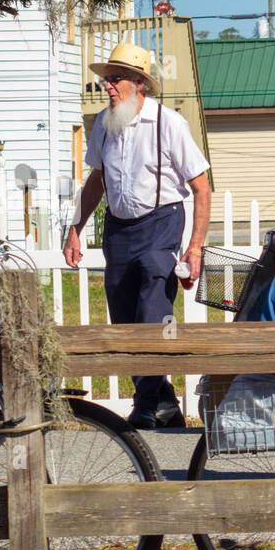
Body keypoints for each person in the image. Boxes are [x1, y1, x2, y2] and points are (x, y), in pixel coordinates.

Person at [62, 41, 211, 429]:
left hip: (161, 223)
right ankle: (165, 403)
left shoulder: (168, 123)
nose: (107, 86)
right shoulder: (104, 123)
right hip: (119, 229)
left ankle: (145, 403)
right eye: (106, 79)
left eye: (116, 79)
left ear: (139, 83)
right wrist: (75, 229)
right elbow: (96, 181)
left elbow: (201, 187)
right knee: (124, 318)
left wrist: (195, 247)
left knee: (153, 312)